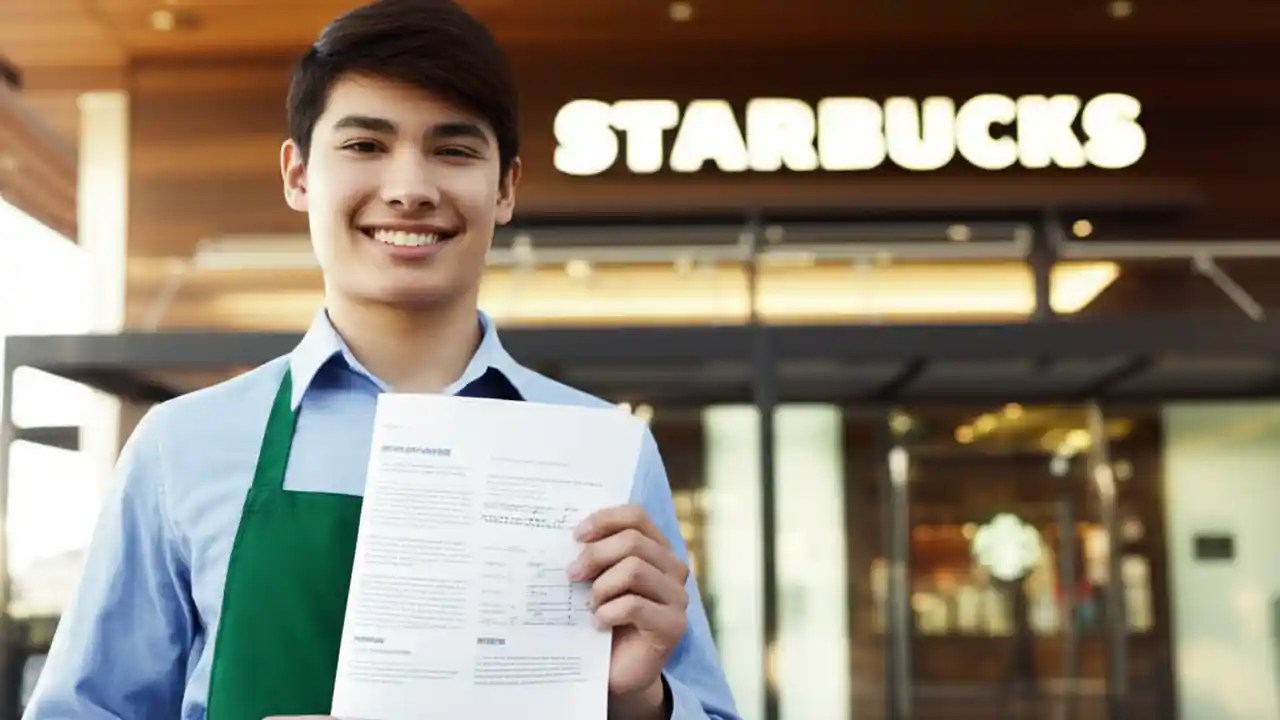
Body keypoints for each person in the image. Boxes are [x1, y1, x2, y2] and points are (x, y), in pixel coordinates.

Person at [22, 1, 739, 718]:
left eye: (453, 150)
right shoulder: (181, 448)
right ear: (298, 175)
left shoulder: (604, 454)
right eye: (365, 146)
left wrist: (643, 698)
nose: (410, 189)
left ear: (507, 187)